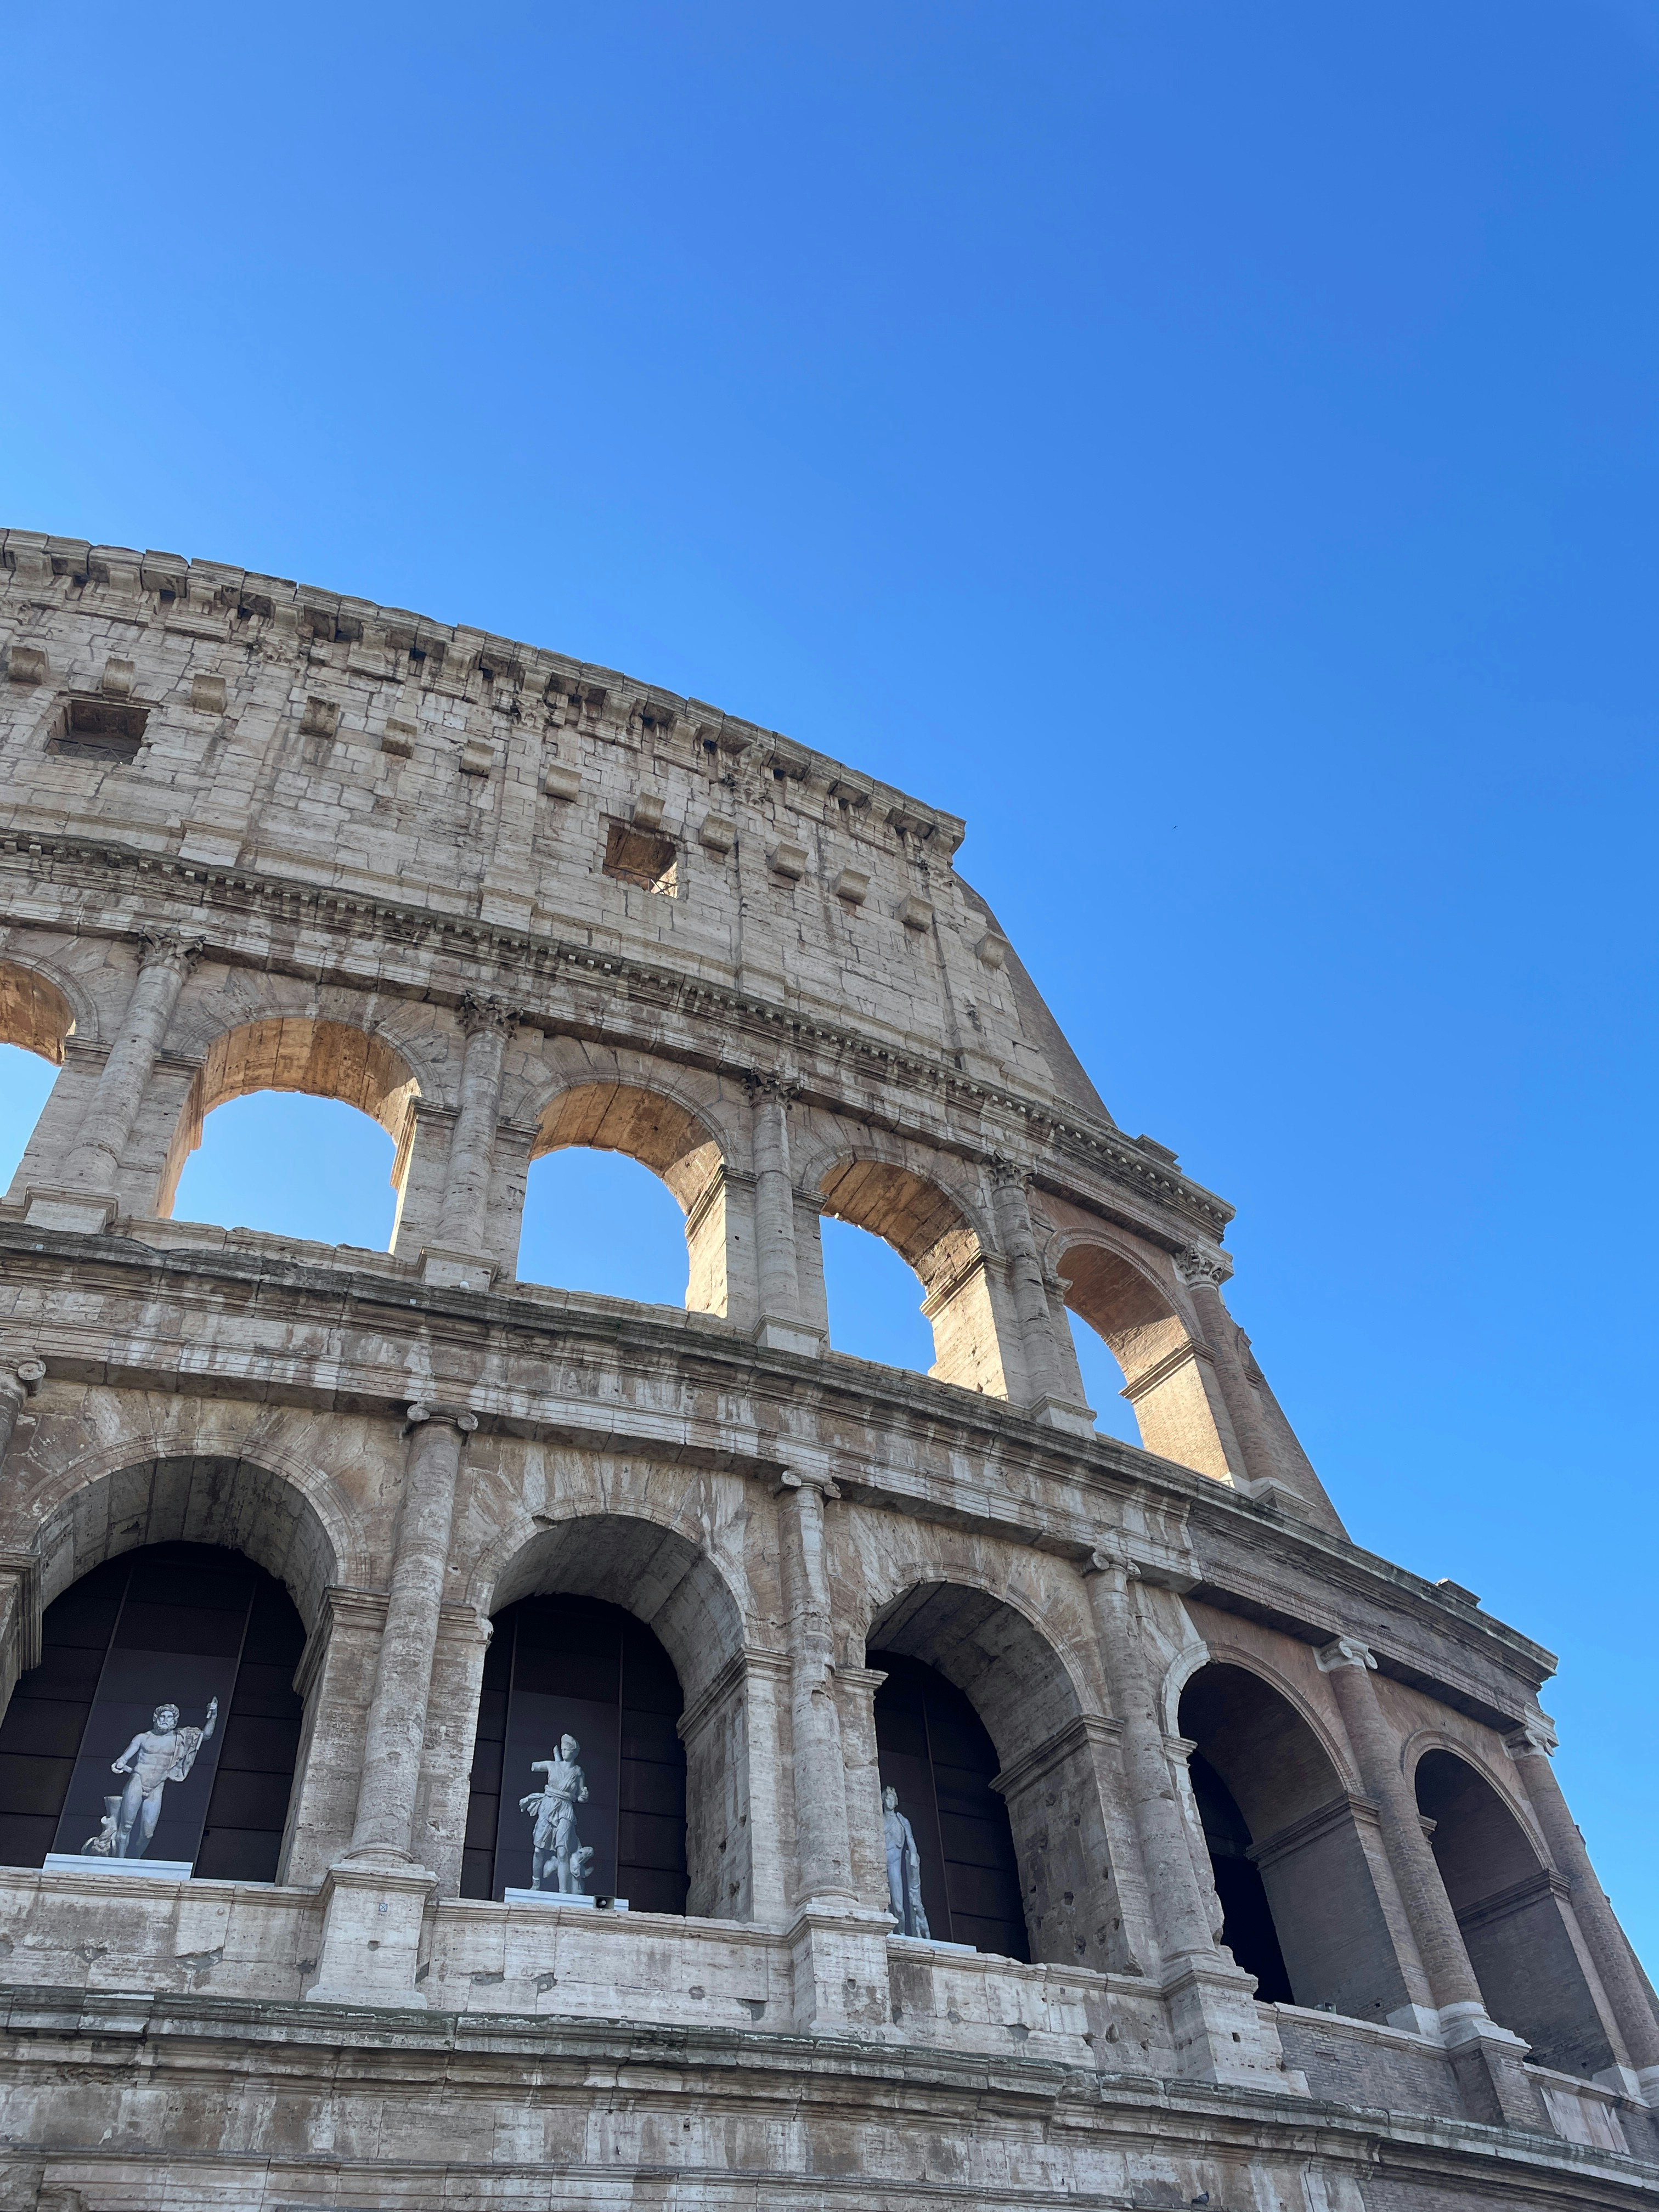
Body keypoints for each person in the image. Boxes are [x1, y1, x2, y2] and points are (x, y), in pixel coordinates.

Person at [106, 1698, 219, 1859]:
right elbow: (125, 1757)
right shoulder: (143, 1738)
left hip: (158, 1785)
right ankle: (119, 1863)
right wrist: (120, 1763)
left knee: (147, 1834)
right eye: (162, 1717)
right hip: (138, 1780)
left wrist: (213, 1715)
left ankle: (134, 1858)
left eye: (169, 1717)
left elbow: (206, 1735)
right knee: (126, 1827)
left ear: (175, 1721)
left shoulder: (180, 1738)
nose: (165, 1720)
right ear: (156, 1718)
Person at [520, 1734, 591, 1892]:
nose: (565, 1752)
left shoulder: (578, 1772)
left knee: (562, 1852)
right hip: (548, 1807)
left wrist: (583, 1797)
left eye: (568, 1749)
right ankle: (536, 1883)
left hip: (565, 1809)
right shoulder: (552, 1766)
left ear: (574, 1753)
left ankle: (563, 1892)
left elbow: (580, 1796)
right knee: (538, 1850)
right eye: (563, 1749)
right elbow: (534, 1766)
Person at [882, 1784, 931, 1938]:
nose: (890, 1802)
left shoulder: (902, 1821)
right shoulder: (878, 1821)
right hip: (881, 1867)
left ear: (896, 1802)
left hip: (895, 1865)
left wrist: (913, 1857)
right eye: (887, 1799)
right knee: (883, 1906)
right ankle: (889, 1934)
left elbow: (910, 1841)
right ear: (883, 1801)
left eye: (892, 1799)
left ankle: (902, 1934)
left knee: (899, 1907)